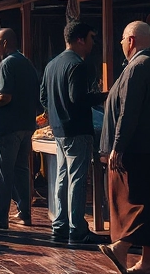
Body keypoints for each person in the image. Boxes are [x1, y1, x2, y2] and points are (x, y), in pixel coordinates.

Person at [97, 20, 150, 274]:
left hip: (139, 149)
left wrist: (117, 146)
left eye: (123, 39)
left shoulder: (137, 68)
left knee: (136, 204)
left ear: (131, 40)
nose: (121, 43)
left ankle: (121, 248)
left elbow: (128, 112)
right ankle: (147, 262)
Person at [39, 21, 105, 244]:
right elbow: (78, 98)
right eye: (91, 38)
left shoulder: (52, 65)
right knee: (77, 179)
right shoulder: (77, 65)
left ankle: (60, 225)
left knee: (62, 178)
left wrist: (55, 114)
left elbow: (43, 97)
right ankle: (77, 228)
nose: (93, 43)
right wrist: (104, 96)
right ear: (80, 39)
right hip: (77, 129)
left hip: (59, 131)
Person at [0, 28, 40, 230]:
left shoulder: (6, 63)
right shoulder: (27, 63)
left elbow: (4, 97)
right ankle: (24, 213)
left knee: (4, 172)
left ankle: (0, 216)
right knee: (22, 170)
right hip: (26, 125)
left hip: (7, 127)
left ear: (4, 43)